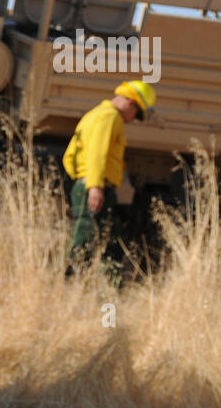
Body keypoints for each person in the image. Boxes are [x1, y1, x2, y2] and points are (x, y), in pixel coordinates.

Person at [62, 79, 156, 273]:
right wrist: (95, 186)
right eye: (137, 114)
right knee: (83, 243)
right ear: (131, 104)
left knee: (111, 244)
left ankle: (109, 294)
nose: (133, 119)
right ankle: (60, 286)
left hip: (89, 184)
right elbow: (98, 152)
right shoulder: (109, 117)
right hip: (94, 186)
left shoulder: (97, 113)